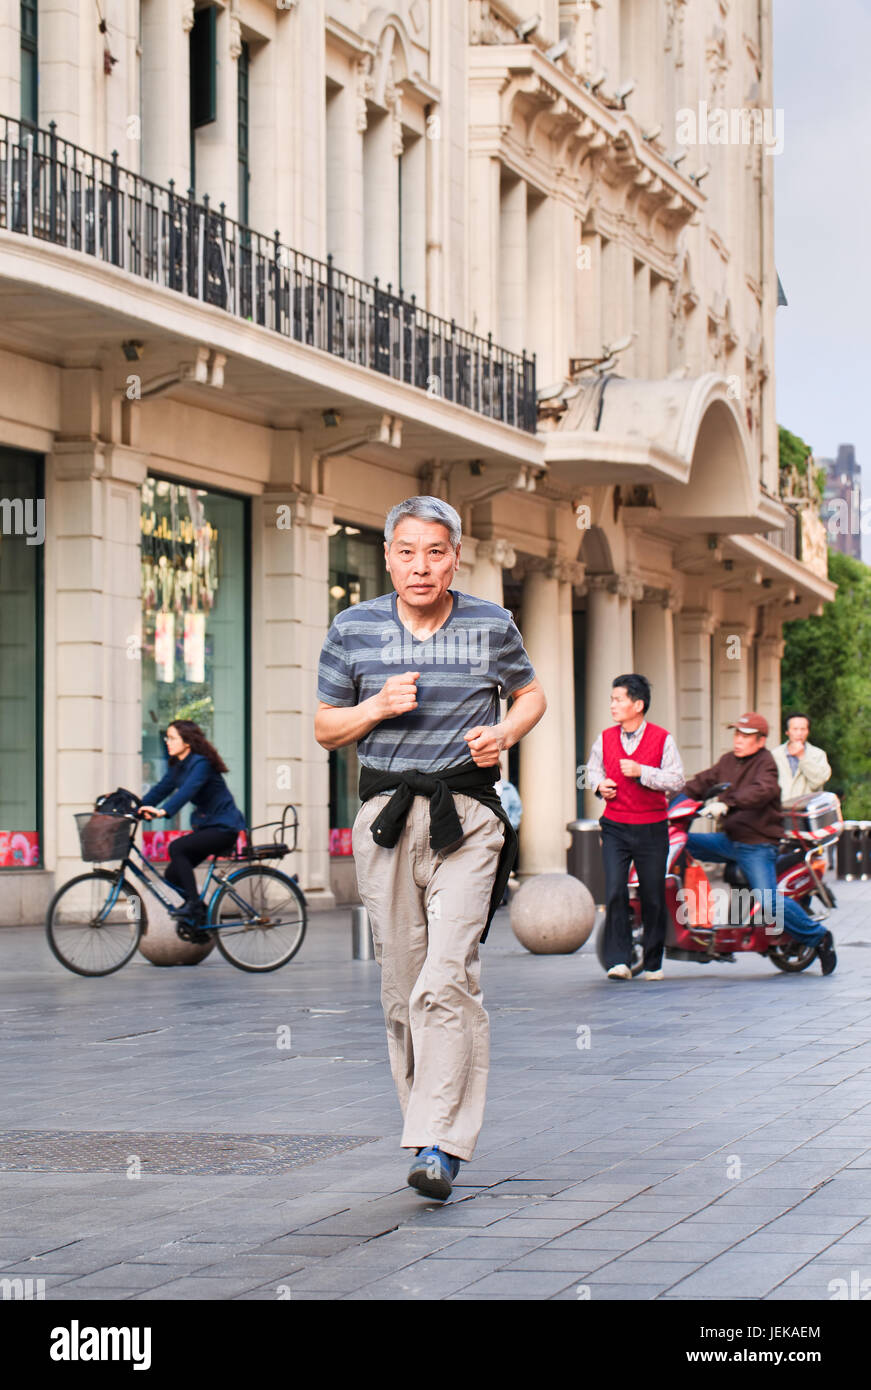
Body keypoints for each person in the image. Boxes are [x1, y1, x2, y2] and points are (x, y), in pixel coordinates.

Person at [315, 495, 546, 1201]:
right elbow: (326, 727)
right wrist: (376, 708)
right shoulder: (351, 628)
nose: (421, 565)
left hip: (467, 815)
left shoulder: (489, 623)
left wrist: (504, 734)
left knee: (447, 975)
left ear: (454, 557)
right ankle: (425, 1128)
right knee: (401, 984)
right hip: (386, 815)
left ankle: (439, 1145)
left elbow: (530, 694)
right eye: (407, 551)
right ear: (388, 557)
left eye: (435, 551)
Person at [682, 712, 836, 974]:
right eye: (736, 734)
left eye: (746, 736)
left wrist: (725, 803)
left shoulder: (766, 763)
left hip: (757, 845)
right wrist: (667, 801)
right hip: (730, 841)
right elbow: (701, 782)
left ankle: (818, 936)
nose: (739, 740)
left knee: (768, 901)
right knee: (681, 842)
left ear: (761, 740)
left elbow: (761, 791)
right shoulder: (728, 761)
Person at [586, 674, 685, 981]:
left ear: (638, 705)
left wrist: (643, 772)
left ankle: (654, 963)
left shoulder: (662, 739)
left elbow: (677, 780)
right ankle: (619, 961)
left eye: (619, 699)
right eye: (612, 699)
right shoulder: (604, 739)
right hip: (615, 827)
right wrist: (600, 785)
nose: (613, 705)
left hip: (653, 828)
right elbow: (592, 770)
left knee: (652, 894)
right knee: (615, 891)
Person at [139, 720, 245, 942]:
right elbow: (160, 790)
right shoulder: (177, 767)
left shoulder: (200, 764)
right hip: (209, 826)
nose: (167, 742)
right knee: (172, 874)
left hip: (224, 827)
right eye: (166, 738)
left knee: (177, 848)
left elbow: (187, 791)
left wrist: (163, 812)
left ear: (187, 742)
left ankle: (195, 907)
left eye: (172, 738)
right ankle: (202, 918)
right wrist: (136, 808)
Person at [772, 713, 831, 802]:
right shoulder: (775, 755)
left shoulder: (818, 754)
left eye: (803, 729)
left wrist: (802, 756)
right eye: (795, 729)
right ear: (787, 732)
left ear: (808, 731)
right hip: (779, 810)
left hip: (806, 810)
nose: (799, 733)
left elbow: (818, 781)